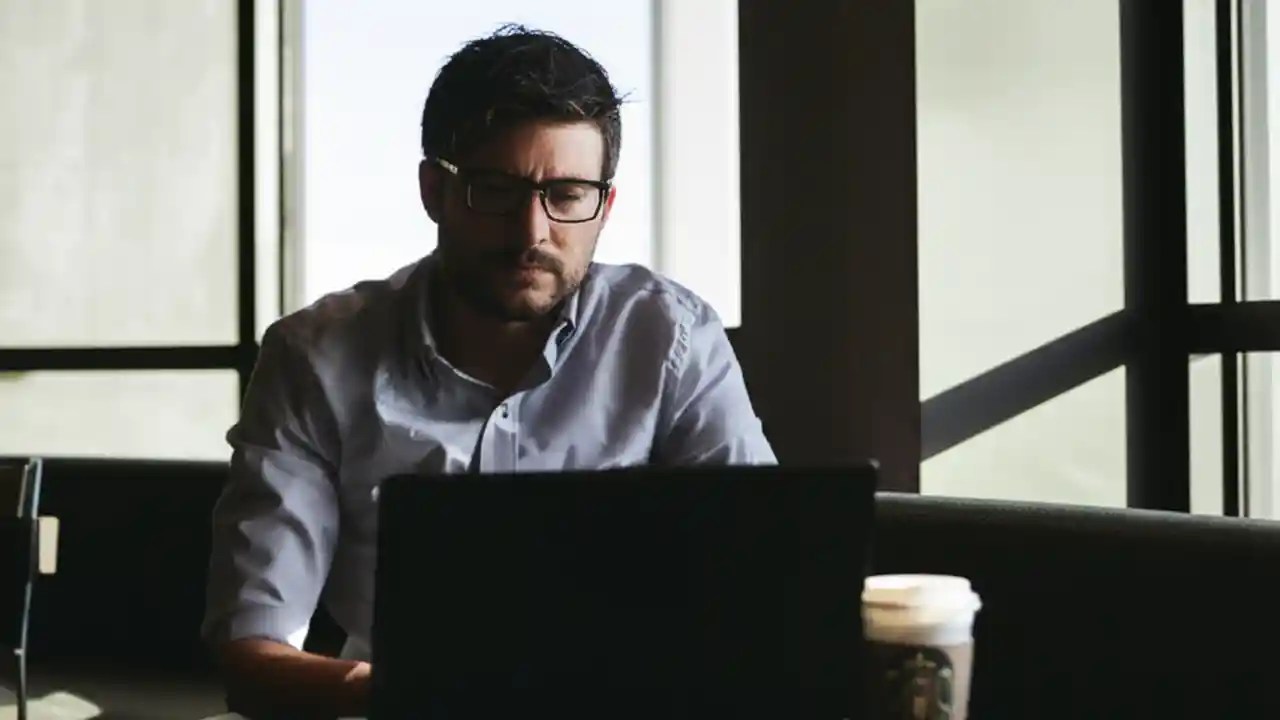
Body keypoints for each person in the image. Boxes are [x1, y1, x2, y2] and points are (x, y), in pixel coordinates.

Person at [202, 24, 774, 717]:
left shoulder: (672, 339)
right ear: (435, 192)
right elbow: (252, 651)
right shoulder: (315, 357)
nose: (532, 231)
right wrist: (423, 694)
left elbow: (762, 587)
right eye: (496, 191)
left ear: (605, 208)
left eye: (566, 194)